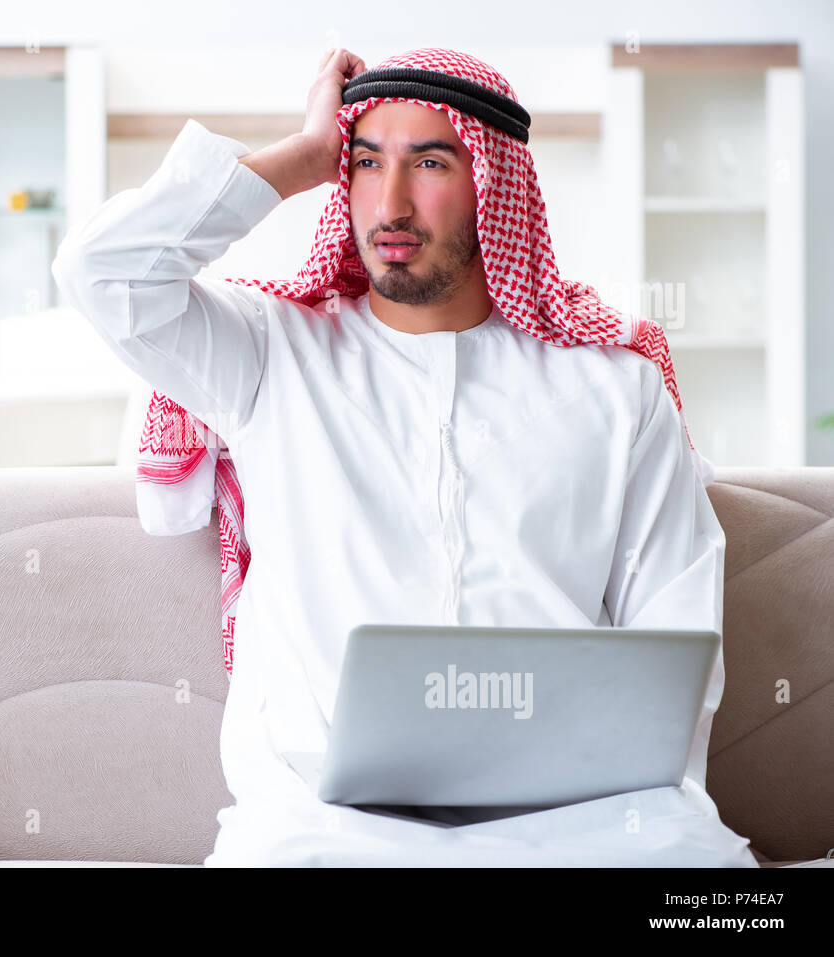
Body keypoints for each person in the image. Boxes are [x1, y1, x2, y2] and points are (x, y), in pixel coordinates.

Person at [51, 46, 759, 867]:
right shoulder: (268, 355)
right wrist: (299, 159)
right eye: (363, 163)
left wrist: (639, 803)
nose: (388, 202)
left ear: (496, 183)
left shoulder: (616, 389)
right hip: (326, 827)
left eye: (428, 162)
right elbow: (102, 273)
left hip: (585, 824)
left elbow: (676, 630)